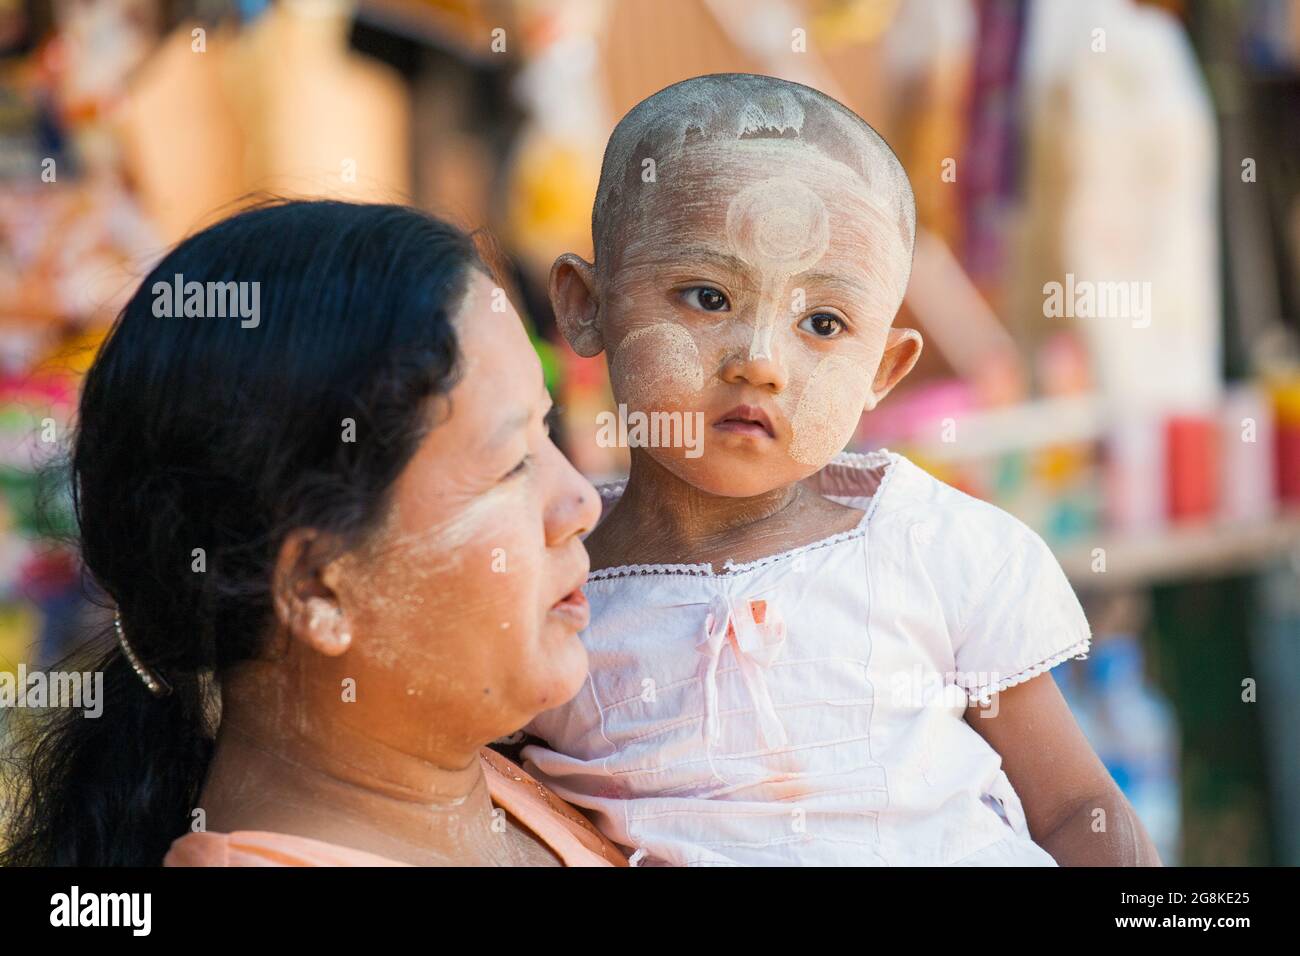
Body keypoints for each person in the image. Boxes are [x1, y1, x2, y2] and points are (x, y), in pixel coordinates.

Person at [520, 73, 1161, 866]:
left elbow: (1076, 807)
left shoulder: (931, 550)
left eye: (822, 323)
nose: (760, 363)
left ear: (882, 373)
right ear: (586, 305)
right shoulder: (550, 589)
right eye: (707, 297)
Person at [0, 200, 625, 867]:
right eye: (511, 465)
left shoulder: (537, 774)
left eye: (547, 428)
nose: (581, 502)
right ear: (318, 589)